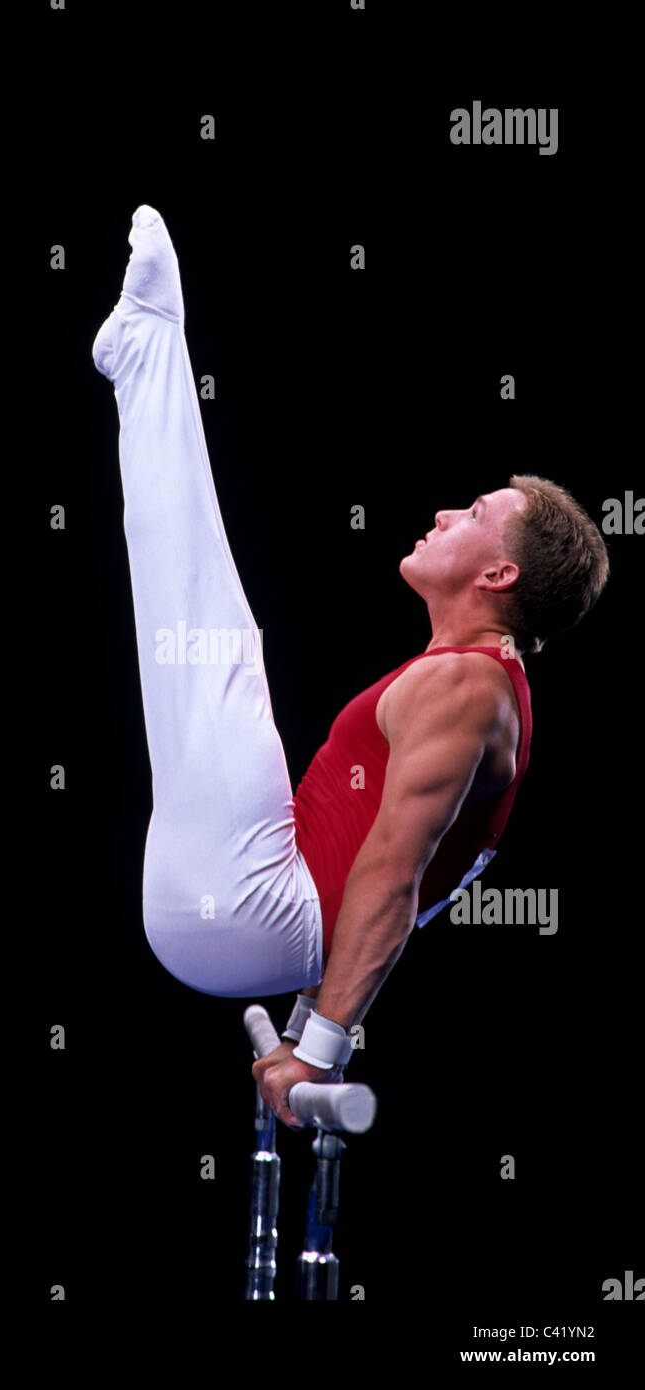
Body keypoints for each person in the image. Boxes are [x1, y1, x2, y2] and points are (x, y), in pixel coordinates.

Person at [92, 206, 609, 1129]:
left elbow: (393, 873)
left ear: (499, 574)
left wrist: (320, 1047)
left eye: (475, 515)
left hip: (251, 906)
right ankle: (145, 353)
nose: (447, 513)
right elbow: (375, 882)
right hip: (250, 917)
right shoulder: (468, 681)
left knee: (216, 651)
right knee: (211, 648)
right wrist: (303, 1025)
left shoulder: (473, 688)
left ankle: (148, 349)